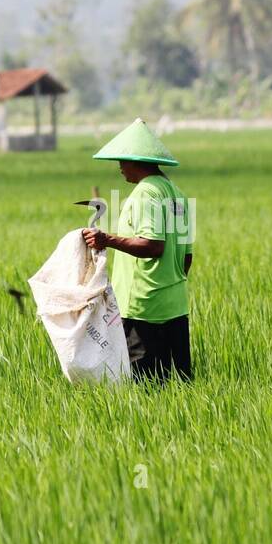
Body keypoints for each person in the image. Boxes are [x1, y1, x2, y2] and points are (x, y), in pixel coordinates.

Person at [82, 118, 194, 382]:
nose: (120, 168)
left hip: (143, 307)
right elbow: (186, 257)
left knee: (145, 387)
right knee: (177, 386)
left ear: (137, 161)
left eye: (123, 161)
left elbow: (152, 246)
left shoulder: (146, 193)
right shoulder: (176, 194)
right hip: (175, 305)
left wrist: (106, 239)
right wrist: (168, 282)